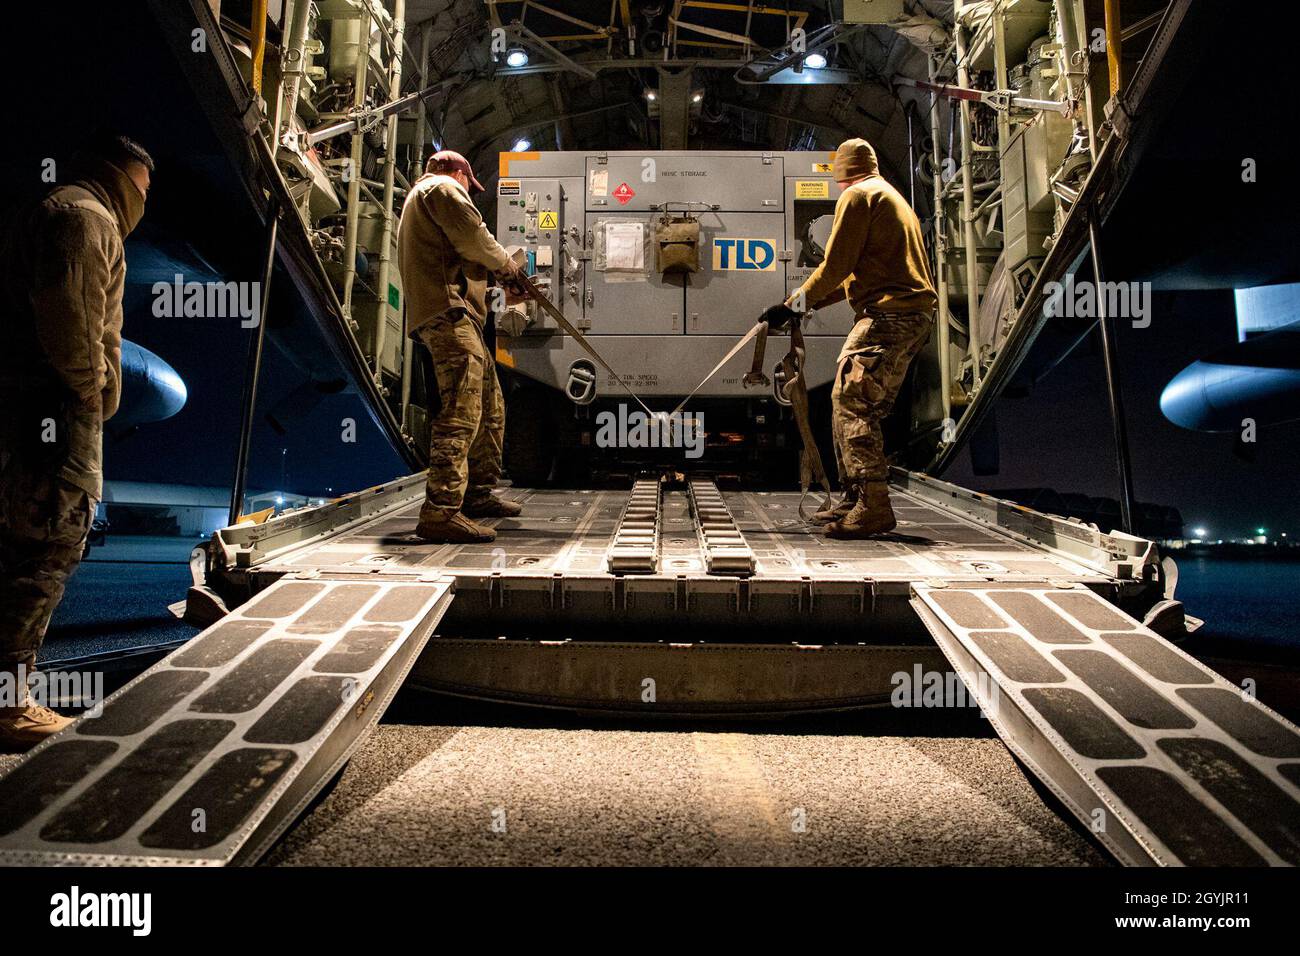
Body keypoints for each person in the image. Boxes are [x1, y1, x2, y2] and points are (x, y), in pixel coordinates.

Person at [0, 133, 153, 750]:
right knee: (40, 556)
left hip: (29, 417)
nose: (145, 204)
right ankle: (9, 706)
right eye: (145, 190)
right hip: (52, 425)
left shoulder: (53, 207)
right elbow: (75, 328)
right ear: (125, 178)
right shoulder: (86, 218)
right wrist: (95, 396)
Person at [760, 137, 938, 539]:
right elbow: (856, 274)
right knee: (857, 401)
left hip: (889, 315)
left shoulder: (858, 196)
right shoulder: (888, 195)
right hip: (909, 315)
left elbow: (835, 265)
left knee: (852, 401)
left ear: (843, 171)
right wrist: (803, 307)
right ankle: (855, 497)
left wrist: (790, 305)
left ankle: (874, 505)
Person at [397, 149, 526, 543]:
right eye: (471, 183)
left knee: (490, 405)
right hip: (448, 313)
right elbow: (474, 236)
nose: (471, 191)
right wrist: (507, 266)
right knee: (462, 409)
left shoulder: (425, 199)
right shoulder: (442, 188)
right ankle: (440, 511)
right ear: (460, 173)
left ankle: (477, 494)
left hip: (458, 316)